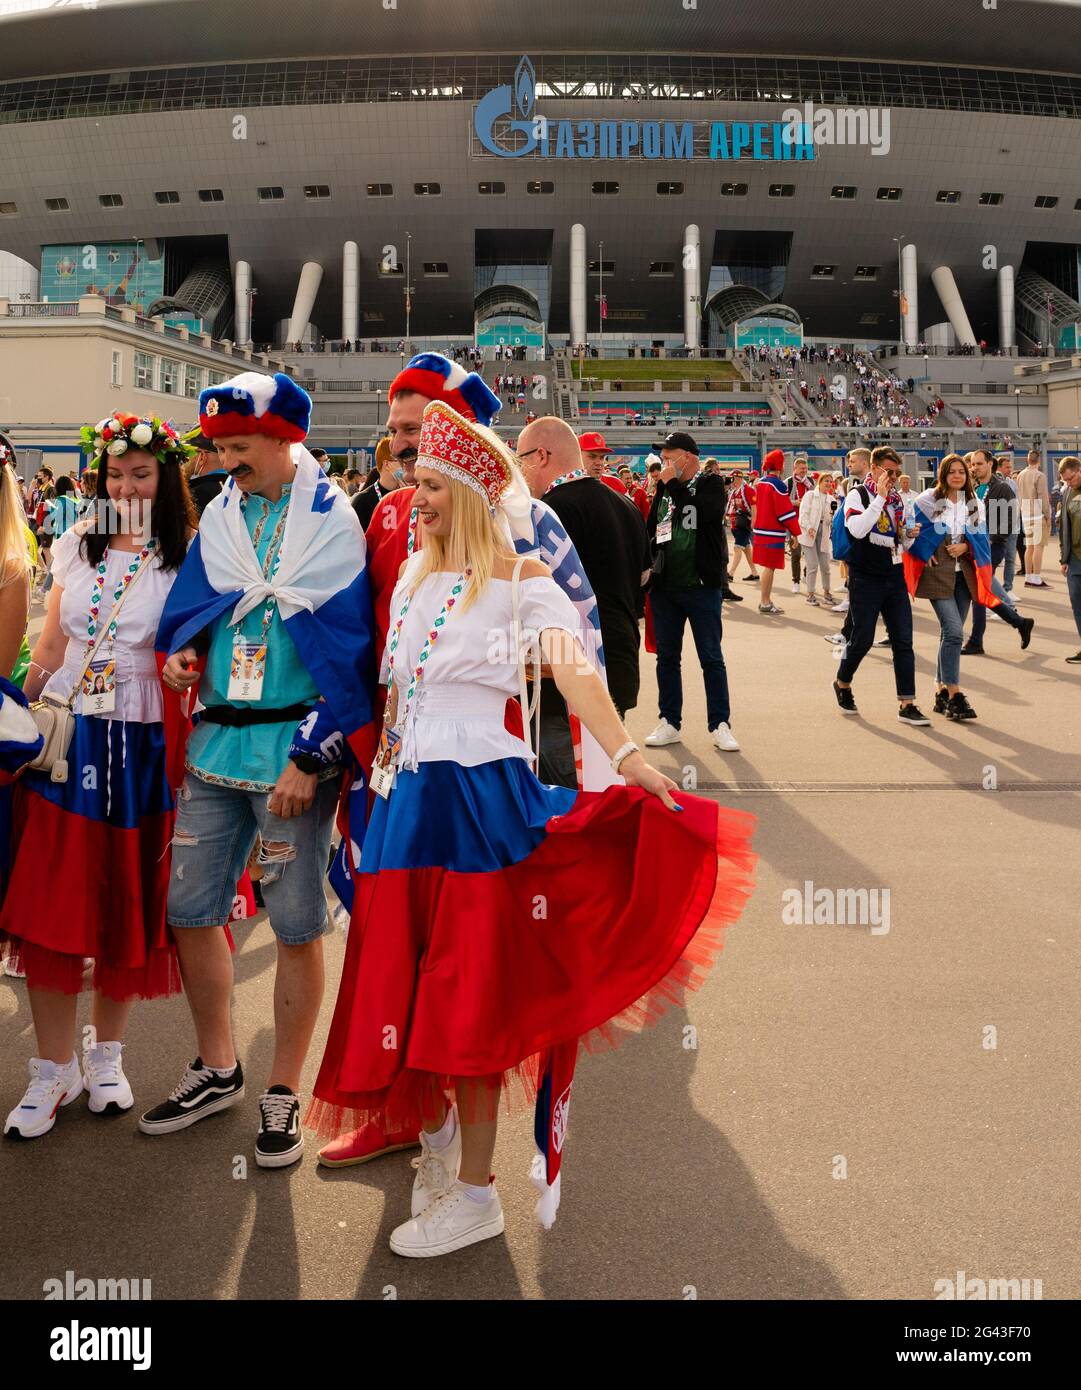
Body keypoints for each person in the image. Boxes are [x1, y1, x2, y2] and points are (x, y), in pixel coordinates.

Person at [306, 399, 757, 1256]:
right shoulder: (411, 575)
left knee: (467, 995)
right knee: (403, 983)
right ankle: (439, 1156)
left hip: (477, 805)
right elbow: (397, 691)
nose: (417, 497)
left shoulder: (524, 582)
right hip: (405, 806)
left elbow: (573, 672)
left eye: (433, 486)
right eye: (415, 482)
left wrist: (625, 755)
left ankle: (477, 1194)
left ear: (476, 496)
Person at [145, 372, 375, 1169]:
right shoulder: (220, 516)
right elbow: (195, 609)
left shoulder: (334, 525)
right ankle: (217, 1066)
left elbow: (352, 656)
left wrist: (313, 758)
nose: (225, 461)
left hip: (290, 762)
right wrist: (183, 655)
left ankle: (283, 1088)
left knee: (296, 925)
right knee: (189, 909)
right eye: (220, 447)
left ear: (286, 441)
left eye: (239, 448)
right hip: (214, 750)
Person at [0, 414, 197, 1138]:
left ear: (165, 480)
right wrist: (20, 714)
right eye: (115, 475)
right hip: (69, 740)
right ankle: (52, 1070)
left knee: (123, 902)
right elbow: (52, 638)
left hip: (141, 745)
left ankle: (106, 1054)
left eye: (140, 475)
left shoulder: (187, 559)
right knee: (53, 907)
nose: (125, 487)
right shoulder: (76, 547)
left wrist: (186, 673)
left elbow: (193, 653)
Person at [515, 416, 650, 787]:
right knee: (605, 787)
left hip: (566, 685)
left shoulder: (544, 516)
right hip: (618, 662)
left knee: (565, 804)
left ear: (540, 456)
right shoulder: (626, 505)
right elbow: (644, 579)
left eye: (520, 458)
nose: (519, 471)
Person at [644, 430, 739, 753]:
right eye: (664, 456)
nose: (665, 462)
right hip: (666, 587)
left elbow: (702, 515)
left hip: (701, 586)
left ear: (688, 457)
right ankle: (669, 720)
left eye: (670, 456)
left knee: (711, 657)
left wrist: (672, 484)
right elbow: (653, 527)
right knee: (667, 658)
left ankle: (720, 723)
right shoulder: (663, 488)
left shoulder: (711, 483)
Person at [832, 446, 929, 725]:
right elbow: (857, 529)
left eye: (897, 473)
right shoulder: (858, 494)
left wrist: (909, 535)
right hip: (865, 576)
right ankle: (842, 682)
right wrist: (880, 500)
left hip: (894, 574)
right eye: (889, 472)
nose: (894, 478)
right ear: (874, 469)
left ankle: (906, 703)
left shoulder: (900, 501)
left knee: (903, 640)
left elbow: (903, 542)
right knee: (861, 639)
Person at [962, 450, 1033, 655]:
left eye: (979, 464)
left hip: (991, 547)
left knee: (978, 592)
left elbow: (1009, 519)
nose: (975, 468)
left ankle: (977, 640)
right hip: (974, 547)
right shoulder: (973, 487)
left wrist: (990, 539)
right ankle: (1019, 622)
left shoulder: (1001, 488)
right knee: (979, 592)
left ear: (991, 464)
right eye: (973, 464)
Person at [751, 449, 802, 616]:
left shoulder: (761, 483)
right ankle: (765, 602)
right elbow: (784, 512)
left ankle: (766, 601)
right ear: (780, 466)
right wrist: (795, 532)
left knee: (767, 567)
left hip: (761, 530)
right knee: (770, 567)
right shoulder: (778, 484)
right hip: (772, 532)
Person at [352, 435, 409, 530]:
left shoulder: (411, 497)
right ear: (387, 464)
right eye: (401, 461)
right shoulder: (363, 500)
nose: (406, 465)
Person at [798, 471, 836, 606]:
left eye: (830, 481)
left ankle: (827, 592)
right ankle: (810, 594)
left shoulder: (832, 500)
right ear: (819, 482)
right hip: (809, 533)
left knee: (825, 566)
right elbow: (803, 516)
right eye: (826, 480)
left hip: (824, 532)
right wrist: (809, 528)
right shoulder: (809, 496)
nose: (828, 483)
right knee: (812, 565)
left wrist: (832, 520)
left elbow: (833, 518)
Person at [1057, 456, 1081, 662]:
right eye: (1065, 480)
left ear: (1079, 470)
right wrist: (1063, 558)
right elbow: (1064, 526)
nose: (1069, 483)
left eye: (1071, 479)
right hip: (1074, 560)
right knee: (1077, 605)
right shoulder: (1066, 493)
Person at [1017, 448, 1051, 586]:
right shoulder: (1039, 475)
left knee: (1029, 547)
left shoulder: (1020, 475)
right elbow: (1043, 497)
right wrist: (1048, 515)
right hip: (1037, 514)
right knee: (1038, 547)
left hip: (1025, 514)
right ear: (1039, 460)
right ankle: (1036, 577)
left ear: (1027, 459)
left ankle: (1028, 576)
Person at [183, 431, 229, 516]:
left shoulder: (198, 493)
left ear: (202, 457)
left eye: (186, 455)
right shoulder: (233, 488)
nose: (182, 462)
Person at [726, 469, 758, 584]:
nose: (731, 481)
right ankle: (754, 573)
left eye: (732, 479)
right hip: (736, 524)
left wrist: (753, 522)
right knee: (747, 550)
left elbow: (754, 507)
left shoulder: (748, 490)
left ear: (737, 478)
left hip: (745, 525)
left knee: (737, 548)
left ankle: (730, 573)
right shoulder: (734, 491)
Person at [786, 455, 813, 593]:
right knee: (795, 553)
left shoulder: (811, 482)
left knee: (810, 553)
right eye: (801, 468)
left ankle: (805, 574)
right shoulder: (789, 482)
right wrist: (795, 502)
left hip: (809, 522)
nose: (804, 471)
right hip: (793, 522)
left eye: (805, 468)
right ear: (795, 469)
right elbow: (782, 502)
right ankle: (795, 581)